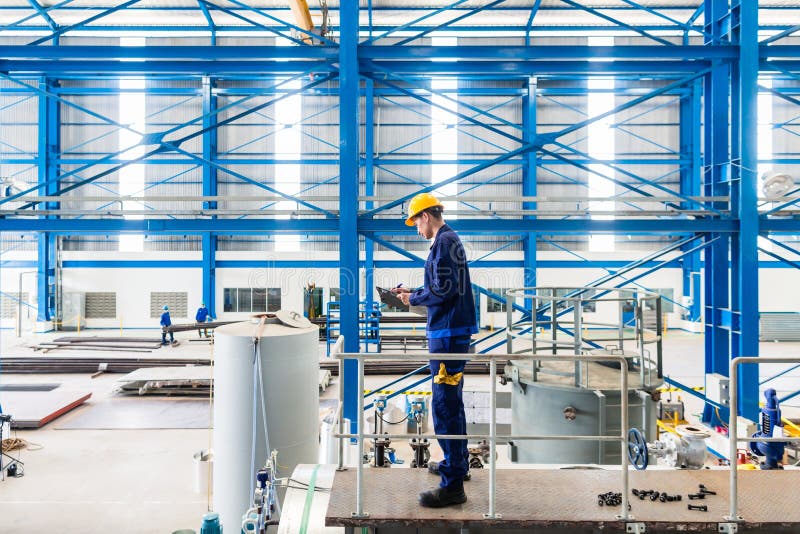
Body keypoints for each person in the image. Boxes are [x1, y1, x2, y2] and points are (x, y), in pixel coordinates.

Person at [393, 192, 478, 508]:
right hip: (451, 331)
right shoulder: (447, 240)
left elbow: (443, 290)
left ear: (426, 216)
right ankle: (457, 464)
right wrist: (413, 292)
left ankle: (452, 485)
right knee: (451, 404)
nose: (417, 229)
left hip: (448, 334)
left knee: (444, 406)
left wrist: (413, 299)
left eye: (416, 223)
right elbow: (442, 286)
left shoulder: (443, 242)